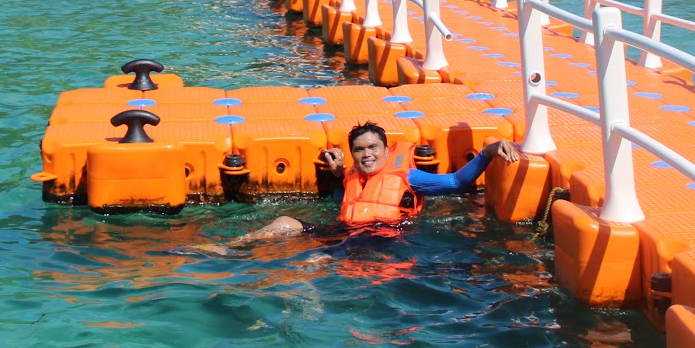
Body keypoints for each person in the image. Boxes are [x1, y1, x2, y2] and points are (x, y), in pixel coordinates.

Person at [209, 121, 521, 249]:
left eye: (373, 148)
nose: (367, 154)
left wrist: (488, 152)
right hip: (347, 236)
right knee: (284, 221)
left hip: (385, 239)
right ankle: (230, 247)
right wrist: (337, 177)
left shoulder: (408, 177)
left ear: (387, 151)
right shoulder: (350, 177)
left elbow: (456, 182)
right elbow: (342, 205)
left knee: (314, 262)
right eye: (359, 149)